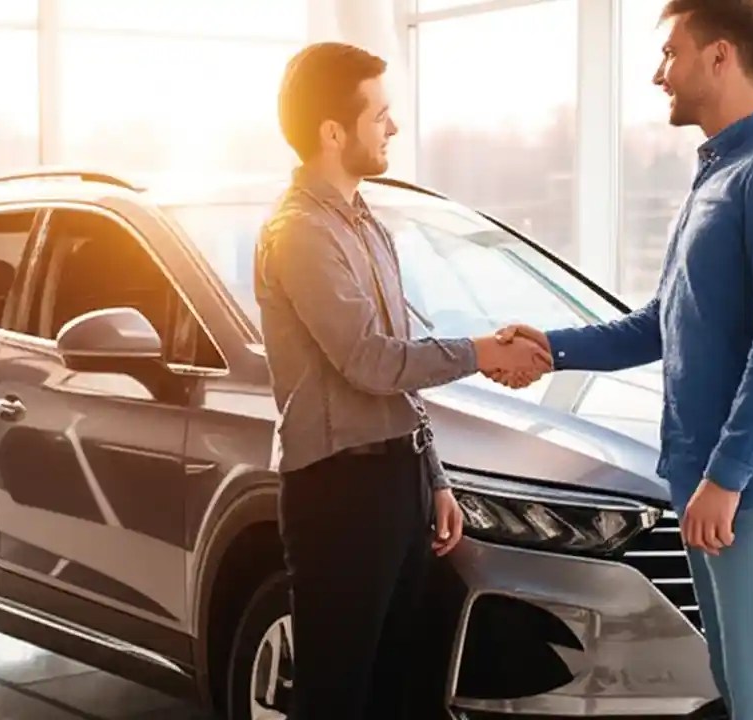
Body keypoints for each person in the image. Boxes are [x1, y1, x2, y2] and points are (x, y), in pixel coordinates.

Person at [495, 1, 753, 716]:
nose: (660, 75)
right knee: (748, 694)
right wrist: (550, 349)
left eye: (671, 54)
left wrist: (727, 474)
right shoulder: (719, 172)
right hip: (711, 482)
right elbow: (665, 322)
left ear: (719, 56)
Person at [256, 42, 551, 719]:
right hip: (337, 492)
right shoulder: (299, 233)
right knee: (337, 696)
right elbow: (371, 360)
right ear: (333, 132)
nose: (393, 128)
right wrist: (481, 351)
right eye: (380, 115)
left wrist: (435, 478)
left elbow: (401, 369)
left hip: (396, 481)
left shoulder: (372, 228)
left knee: (401, 691)